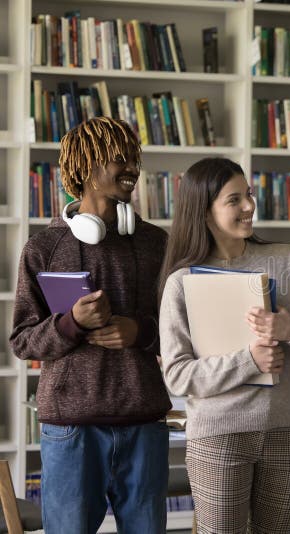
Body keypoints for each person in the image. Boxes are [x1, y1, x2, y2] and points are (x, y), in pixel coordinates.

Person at [9, 117, 171, 533]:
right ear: (84, 167)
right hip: (70, 429)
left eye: (135, 158)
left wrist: (142, 332)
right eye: (120, 159)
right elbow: (23, 340)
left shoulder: (156, 244)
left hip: (143, 422)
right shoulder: (44, 247)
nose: (132, 168)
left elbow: (181, 327)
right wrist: (70, 324)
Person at [158, 157, 290, 533]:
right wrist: (250, 360)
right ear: (204, 212)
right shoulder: (182, 281)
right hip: (219, 435)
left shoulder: (288, 260)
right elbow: (177, 375)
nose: (250, 206)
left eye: (249, 195)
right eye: (234, 199)